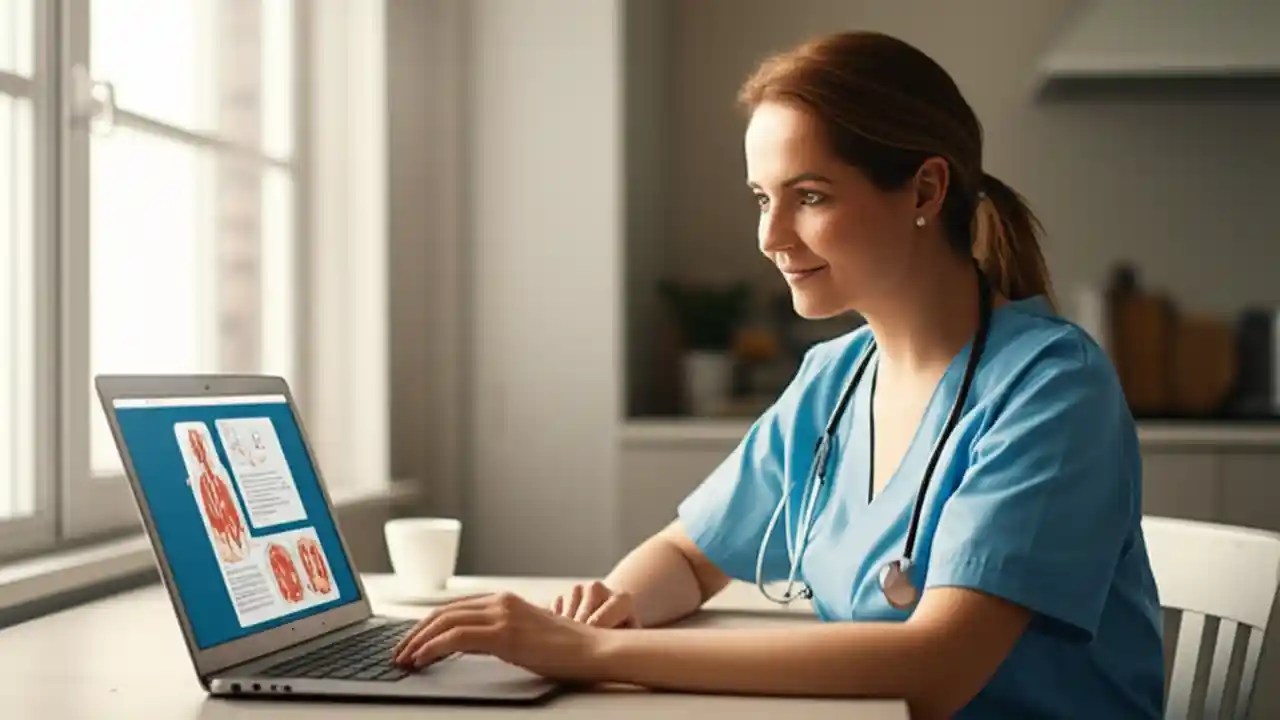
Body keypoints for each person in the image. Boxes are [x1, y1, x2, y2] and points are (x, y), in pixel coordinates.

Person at [391, 30, 1164, 719]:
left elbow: (934, 671)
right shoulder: (834, 379)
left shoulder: (1052, 388)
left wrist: (595, 653)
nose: (770, 235)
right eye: (763, 198)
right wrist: (608, 608)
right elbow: (688, 557)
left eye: (810, 197)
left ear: (926, 190)